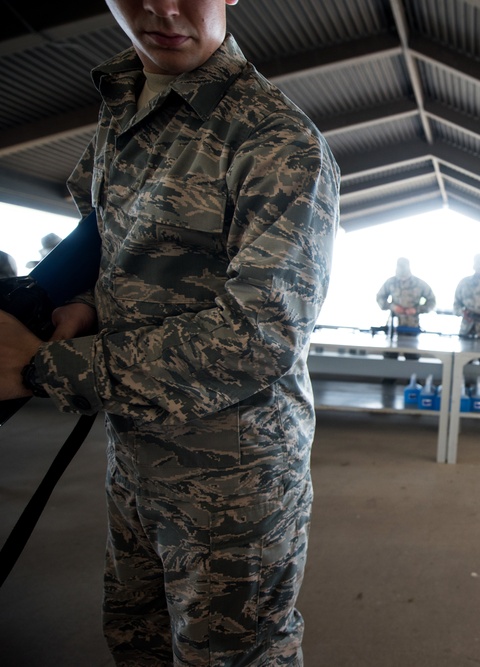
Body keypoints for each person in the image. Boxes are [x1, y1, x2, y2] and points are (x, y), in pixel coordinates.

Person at [0, 0, 338, 664]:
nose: (161, 7)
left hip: (230, 471)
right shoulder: (126, 103)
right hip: (135, 447)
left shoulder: (274, 138)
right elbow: (131, 250)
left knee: (233, 655)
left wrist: (40, 367)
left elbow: (258, 337)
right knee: (136, 637)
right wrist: (87, 309)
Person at [375, 257, 437, 331]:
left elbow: (432, 301)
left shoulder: (419, 284)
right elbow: (380, 297)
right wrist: (393, 307)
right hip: (393, 327)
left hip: (413, 327)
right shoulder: (390, 282)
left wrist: (416, 310)